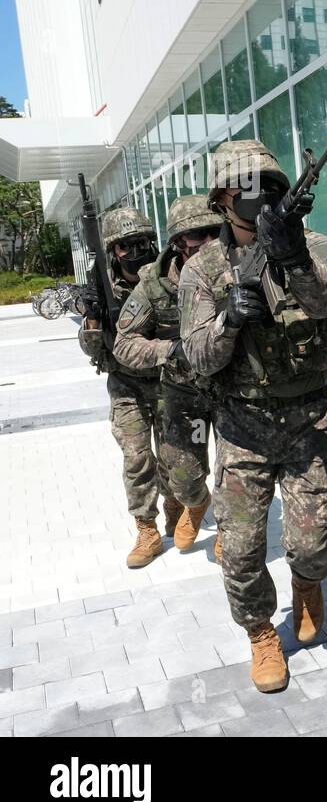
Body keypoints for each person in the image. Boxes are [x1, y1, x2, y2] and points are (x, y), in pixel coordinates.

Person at [179, 140, 327, 694]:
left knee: (312, 541)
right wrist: (229, 319)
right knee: (244, 546)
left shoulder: (316, 246)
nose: (260, 197)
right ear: (222, 201)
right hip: (241, 424)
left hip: (307, 419)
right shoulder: (201, 269)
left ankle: (308, 584)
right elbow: (199, 358)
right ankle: (259, 634)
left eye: (269, 186)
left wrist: (292, 255)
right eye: (245, 188)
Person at [115, 194, 225, 561]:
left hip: (232, 391)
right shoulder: (154, 284)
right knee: (183, 477)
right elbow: (125, 345)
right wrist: (171, 350)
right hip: (184, 393)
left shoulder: (238, 268)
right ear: (178, 243)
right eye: (198, 236)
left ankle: (231, 530)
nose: (209, 243)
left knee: (236, 472)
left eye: (214, 232)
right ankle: (195, 504)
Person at [76, 206, 179, 569]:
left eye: (141, 242)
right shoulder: (101, 285)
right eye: (125, 246)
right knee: (137, 458)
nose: (134, 252)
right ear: (112, 251)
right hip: (126, 384)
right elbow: (92, 348)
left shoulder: (168, 275)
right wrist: (92, 316)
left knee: (174, 458)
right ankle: (146, 527)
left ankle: (177, 506)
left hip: (169, 381)